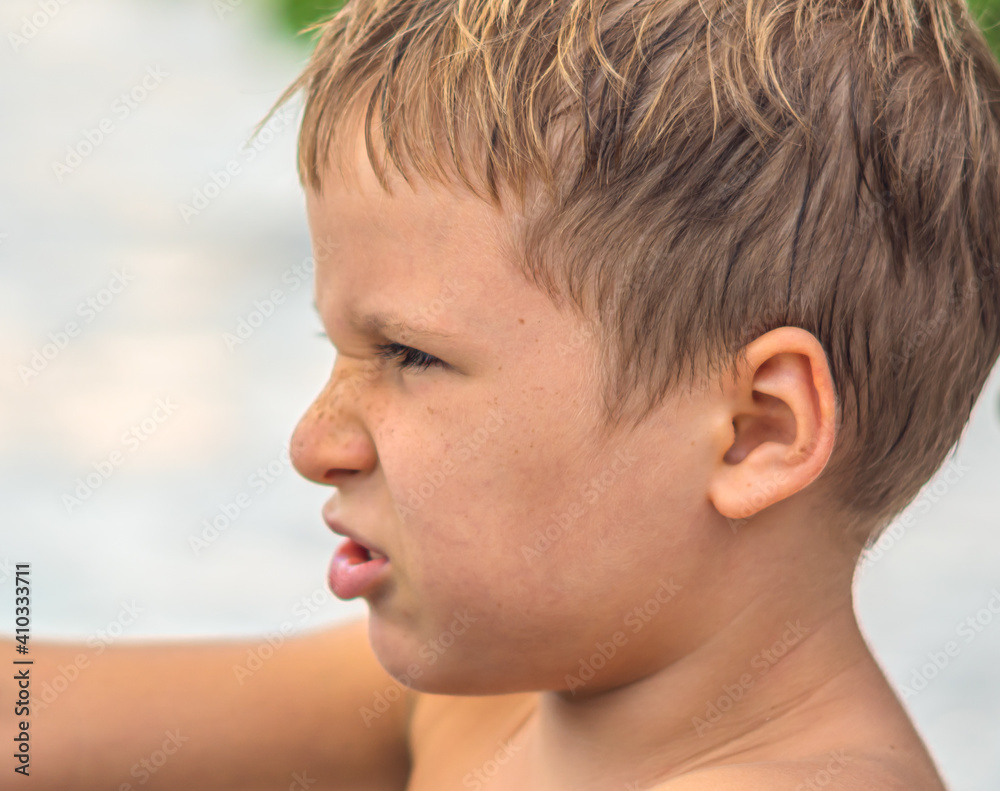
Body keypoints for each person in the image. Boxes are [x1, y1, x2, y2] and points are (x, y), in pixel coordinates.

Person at [8, 0, 1000, 787]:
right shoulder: (490, 701)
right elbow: (31, 720)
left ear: (753, 432)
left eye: (407, 355)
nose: (314, 440)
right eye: (334, 343)